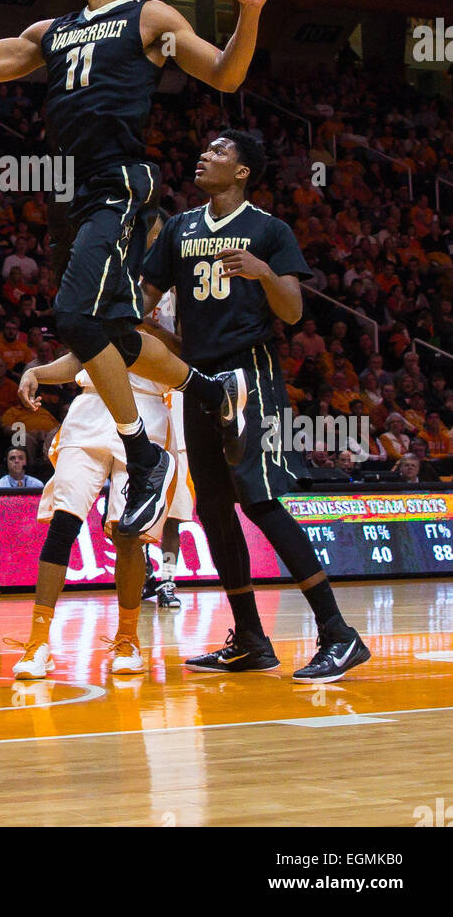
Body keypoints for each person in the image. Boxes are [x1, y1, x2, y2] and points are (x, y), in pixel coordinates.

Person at [0, 0, 274, 539]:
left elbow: (225, 73)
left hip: (122, 181)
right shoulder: (50, 32)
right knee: (112, 332)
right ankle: (211, 390)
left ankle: (143, 455)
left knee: (74, 318)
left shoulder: (149, 16)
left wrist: (249, 11)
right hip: (77, 192)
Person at [140, 130, 371, 682]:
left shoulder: (270, 230)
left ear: (243, 171)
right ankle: (250, 638)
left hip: (250, 376)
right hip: (196, 380)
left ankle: (339, 633)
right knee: (215, 509)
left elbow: (291, 313)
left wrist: (264, 271)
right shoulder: (179, 227)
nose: (204, 154)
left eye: (219, 152)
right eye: (206, 149)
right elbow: (142, 304)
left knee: (261, 501)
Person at [9, 325, 191, 678]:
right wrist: (36, 373)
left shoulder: (167, 299)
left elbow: (182, 353)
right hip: (91, 408)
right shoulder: (104, 292)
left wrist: (144, 319)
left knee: (128, 535)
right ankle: (38, 643)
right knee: (63, 524)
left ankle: (127, 638)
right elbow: (81, 356)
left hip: (147, 412)